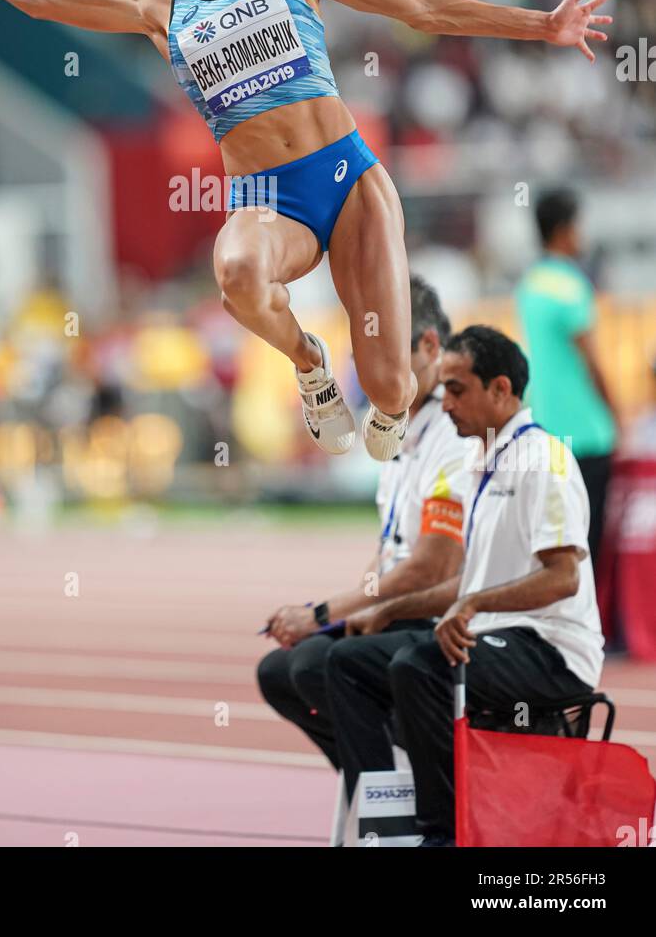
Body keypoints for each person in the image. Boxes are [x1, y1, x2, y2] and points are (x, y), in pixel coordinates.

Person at [0, 0, 617, 462]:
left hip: (350, 180)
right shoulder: (159, 7)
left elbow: (419, 8)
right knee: (235, 270)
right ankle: (308, 363)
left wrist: (542, 25)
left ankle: (387, 400)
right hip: (270, 201)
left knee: (392, 392)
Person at [325, 325, 604, 846]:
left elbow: (562, 578)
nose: (446, 403)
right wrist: (389, 610)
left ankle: (445, 831)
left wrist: (474, 603)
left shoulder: (543, 459)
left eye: (457, 390)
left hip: (552, 650)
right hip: (497, 635)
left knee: (419, 666)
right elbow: (468, 580)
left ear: (500, 389)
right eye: (445, 390)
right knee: (348, 661)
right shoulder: (483, 461)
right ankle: (386, 825)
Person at [256, 276, 473, 769]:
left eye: (380, 355)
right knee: (278, 672)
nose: (368, 373)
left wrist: (324, 613)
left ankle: (403, 786)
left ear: (428, 345)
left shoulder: (453, 432)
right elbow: (390, 545)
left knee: (318, 663)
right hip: (396, 606)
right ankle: (379, 783)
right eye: (360, 358)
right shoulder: (396, 426)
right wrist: (352, 607)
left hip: (436, 612)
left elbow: (430, 566)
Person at [516, 188, 619, 570]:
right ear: (563, 230)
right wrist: (616, 416)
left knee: (555, 544)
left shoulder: (529, 284)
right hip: (588, 435)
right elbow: (593, 363)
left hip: (548, 433)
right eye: (578, 226)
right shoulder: (573, 286)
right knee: (589, 547)